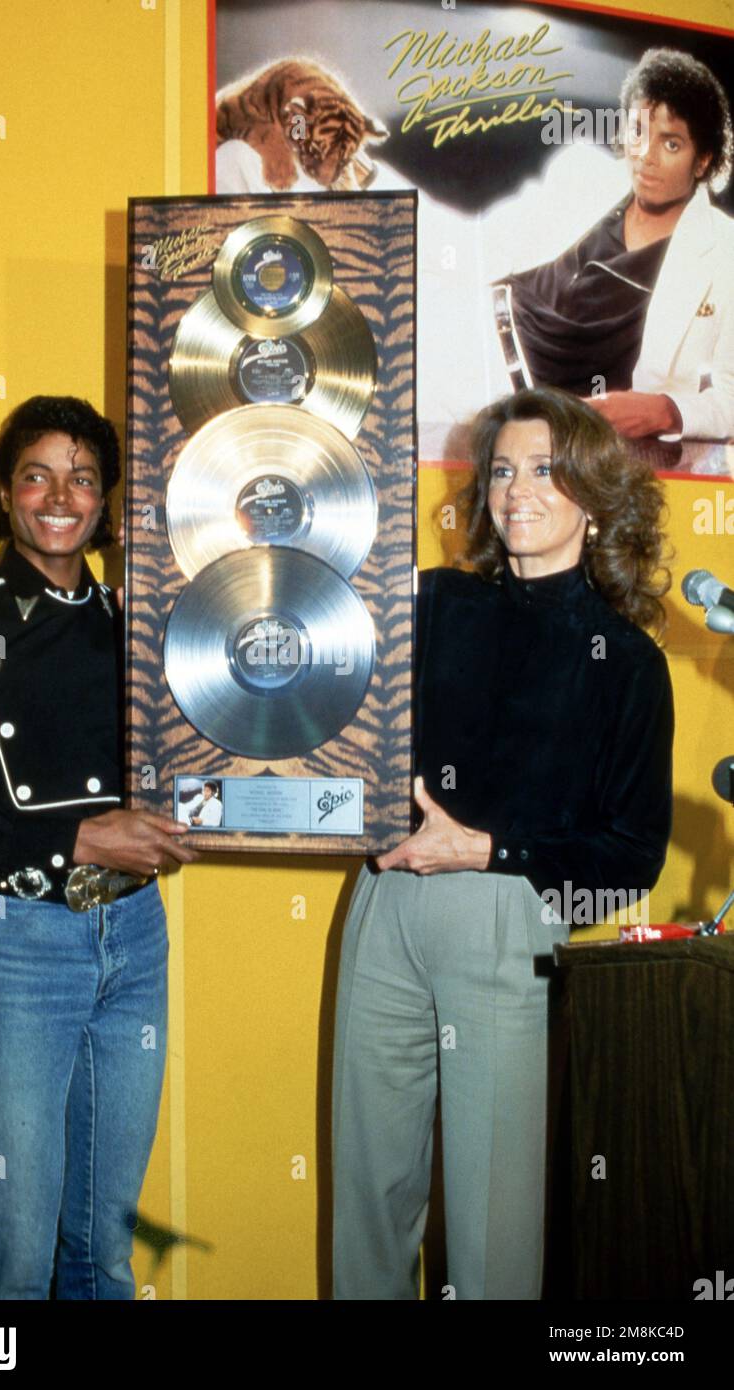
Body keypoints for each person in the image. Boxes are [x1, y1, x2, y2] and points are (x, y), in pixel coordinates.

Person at [331, 386, 675, 1300]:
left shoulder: (626, 660)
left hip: (506, 928)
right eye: (502, 470)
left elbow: (630, 858)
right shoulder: (432, 603)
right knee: (365, 1197)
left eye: (545, 470)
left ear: (594, 496)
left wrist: (491, 855)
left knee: (491, 1227)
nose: (517, 490)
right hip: (383, 905)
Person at [0, 395, 196, 1300]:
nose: (59, 496)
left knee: (102, 1249)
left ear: (105, 500)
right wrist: (75, 835)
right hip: (21, 945)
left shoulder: (140, 626)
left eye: (83, 478)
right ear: (6, 488)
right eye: (38, 474)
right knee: (16, 1251)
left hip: (134, 940)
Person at [486, 48, 734, 441]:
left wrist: (666, 411)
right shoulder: (584, 172)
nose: (645, 157)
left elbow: (730, 400)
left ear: (703, 161)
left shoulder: (725, 250)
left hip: (566, 434)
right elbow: (486, 244)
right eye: (638, 132)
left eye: (670, 144)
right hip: (481, 355)